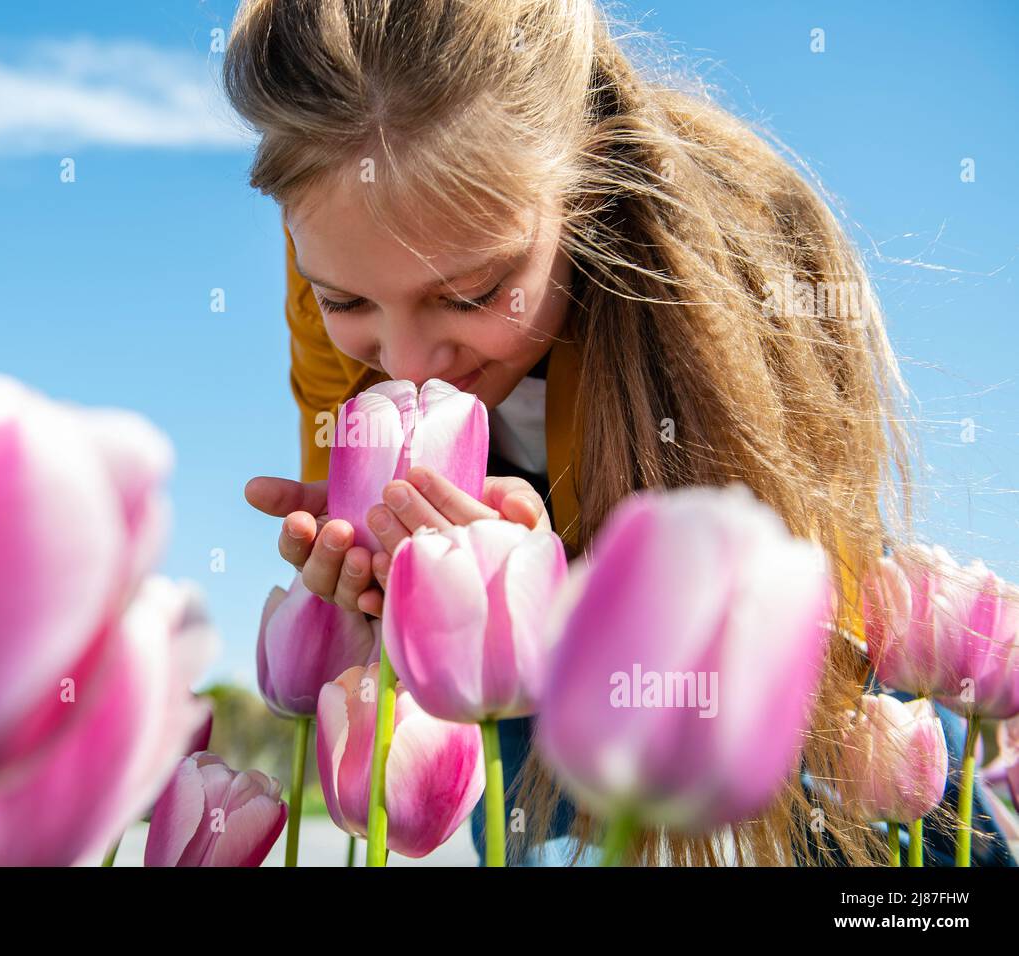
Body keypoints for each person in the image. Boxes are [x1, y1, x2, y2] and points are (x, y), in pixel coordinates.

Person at [226, 0, 1016, 865]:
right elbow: (365, 532)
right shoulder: (339, 256)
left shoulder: (733, 257)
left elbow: (762, 581)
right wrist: (392, 577)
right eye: (346, 301)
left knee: (901, 856)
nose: (408, 362)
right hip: (506, 647)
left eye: (472, 292)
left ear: (584, 188)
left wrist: (554, 585)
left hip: (763, 620)